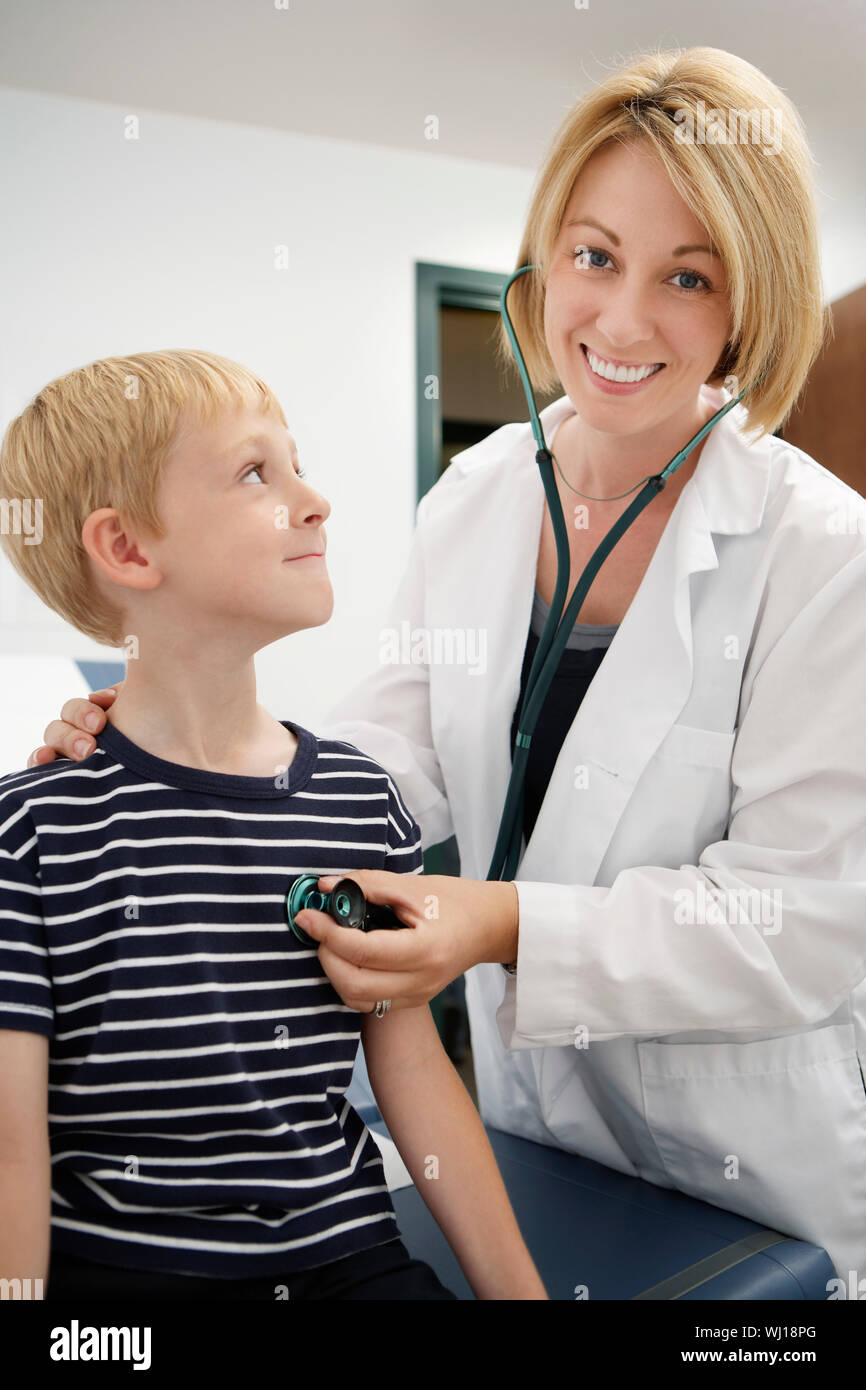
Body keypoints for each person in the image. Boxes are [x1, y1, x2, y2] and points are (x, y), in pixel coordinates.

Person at [25, 47, 866, 1285]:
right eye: (592, 256)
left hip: (749, 1165)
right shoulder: (476, 497)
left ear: (748, 306)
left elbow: (802, 922)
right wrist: (185, 750)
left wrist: (502, 922)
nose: (622, 320)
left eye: (686, 277)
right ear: (545, 258)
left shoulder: (820, 549)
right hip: (530, 1131)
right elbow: (392, 761)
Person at [0, 348, 548, 1301]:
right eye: (258, 473)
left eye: (297, 463)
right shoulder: (34, 834)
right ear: (128, 549)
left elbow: (416, 1081)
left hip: (354, 1268)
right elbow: (12, 1153)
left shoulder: (357, 800)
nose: (314, 499)